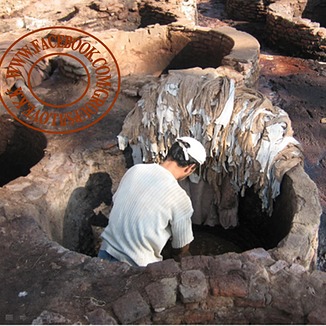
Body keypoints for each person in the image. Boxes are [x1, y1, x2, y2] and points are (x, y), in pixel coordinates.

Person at [98, 136, 206, 266]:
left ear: (169, 153)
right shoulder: (179, 198)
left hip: (105, 253)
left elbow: (116, 205)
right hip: (137, 265)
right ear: (190, 168)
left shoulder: (135, 170)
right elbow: (181, 246)